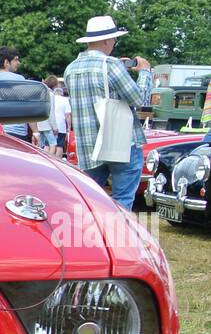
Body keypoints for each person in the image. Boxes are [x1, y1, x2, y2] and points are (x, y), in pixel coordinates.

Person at [63, 14, 153, 210]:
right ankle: (117, 237)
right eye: (114, 39)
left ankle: (92, 237)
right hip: (120, 140)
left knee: (91, 201)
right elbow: (138, 99)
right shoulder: (111, 65)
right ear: (106, 40)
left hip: (88, 144)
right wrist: (145, 72)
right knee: (122, 199)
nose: (114, 42)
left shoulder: (70, 69)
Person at [0, 47, 35, 143]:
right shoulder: (19, 79)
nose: (18, 63)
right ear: (6, 62)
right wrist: (35, 132)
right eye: (16, 60)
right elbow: (28, 108)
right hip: (18, 134)